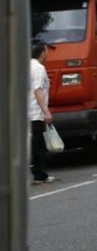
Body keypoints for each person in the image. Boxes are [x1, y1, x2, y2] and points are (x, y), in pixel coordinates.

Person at [29, 39, 58, 184]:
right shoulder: (39, 69)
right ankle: (39, 175)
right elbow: (37, 90)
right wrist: (45, 111)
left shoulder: (26, 66)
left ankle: (37, 172)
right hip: (35, 113)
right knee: (38, 145)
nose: (47, 53)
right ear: (42, 52)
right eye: (46, 50)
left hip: (26, 112)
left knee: (33, 144)